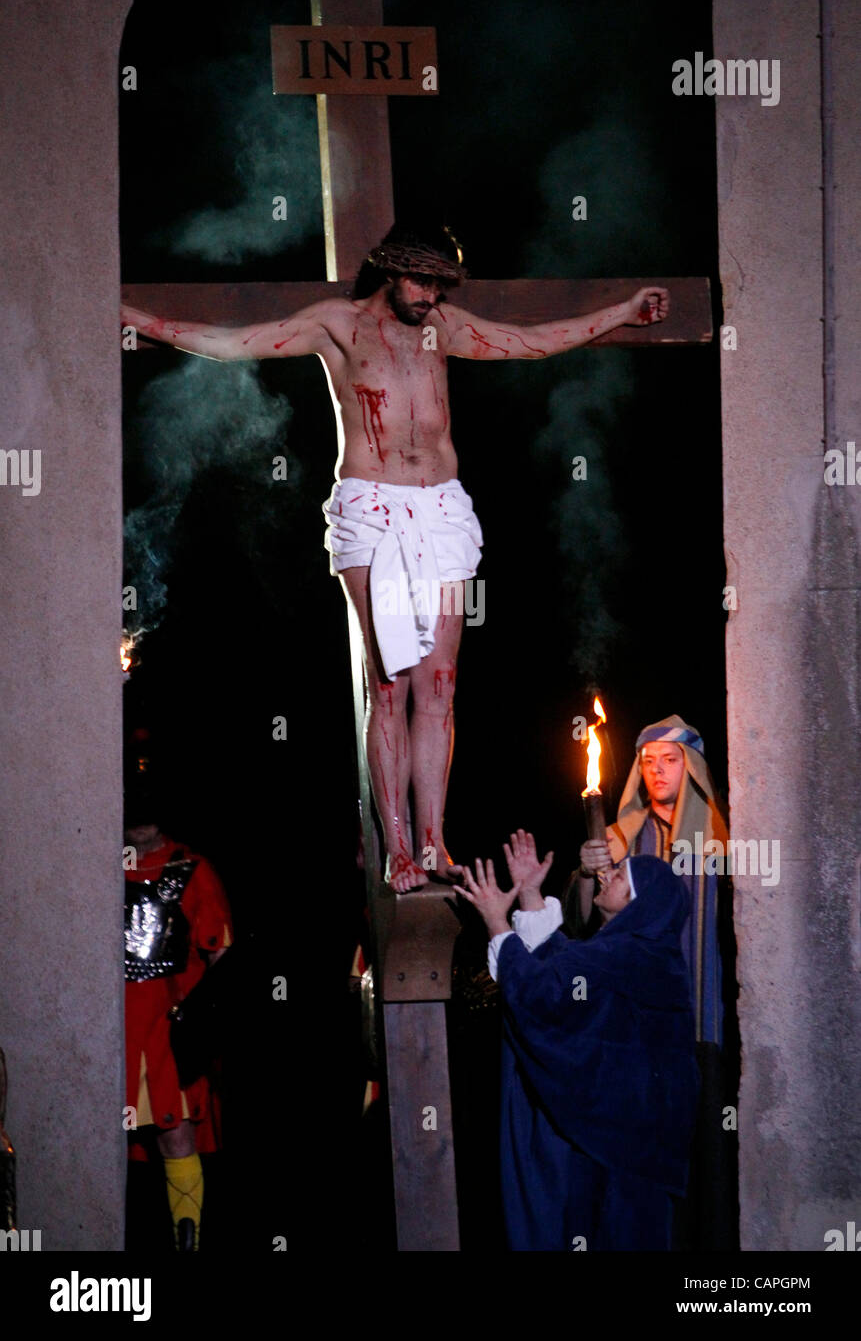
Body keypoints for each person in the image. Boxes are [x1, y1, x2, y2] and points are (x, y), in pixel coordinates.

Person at [121, 224, 669, 893]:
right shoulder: (337, 325)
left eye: (441, 284)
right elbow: (234, 342)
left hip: (442, 509)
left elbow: (530, 342)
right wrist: (132, 318)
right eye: (422, 280)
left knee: (439, 686)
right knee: (390, 684)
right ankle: (398, 849)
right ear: (387, 270)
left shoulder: (442, 325)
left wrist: (619, 311)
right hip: (370, 511)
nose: (430, 295)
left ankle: (434, 841)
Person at [454, 833, 698, 1251]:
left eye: (620, 876)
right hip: (631, 1151)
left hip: (614, 1161)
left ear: (639, 903)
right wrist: (530, 893)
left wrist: (496, 922)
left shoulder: (624, 957)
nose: (607, 876)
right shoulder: (648, 956)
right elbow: (571, 973)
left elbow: (545, 996)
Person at [564, 715, 737, 1248]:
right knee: (642, 1177)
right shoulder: (618, 839)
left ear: (692, 766)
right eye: (647, 761)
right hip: (639, 1039)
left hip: (704, 1024)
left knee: (709, 1165)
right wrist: (587, 874)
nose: (658, 770)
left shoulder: (723, 835)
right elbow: (580, 924)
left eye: (670, 759)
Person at [124, 777, 233, 1251]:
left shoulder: (191, 869)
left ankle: (187, 1241)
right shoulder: (94, 866)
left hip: (169, 1029)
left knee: (175, 1134)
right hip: (112, 1029)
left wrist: (204, 1030)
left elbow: (222, 962)